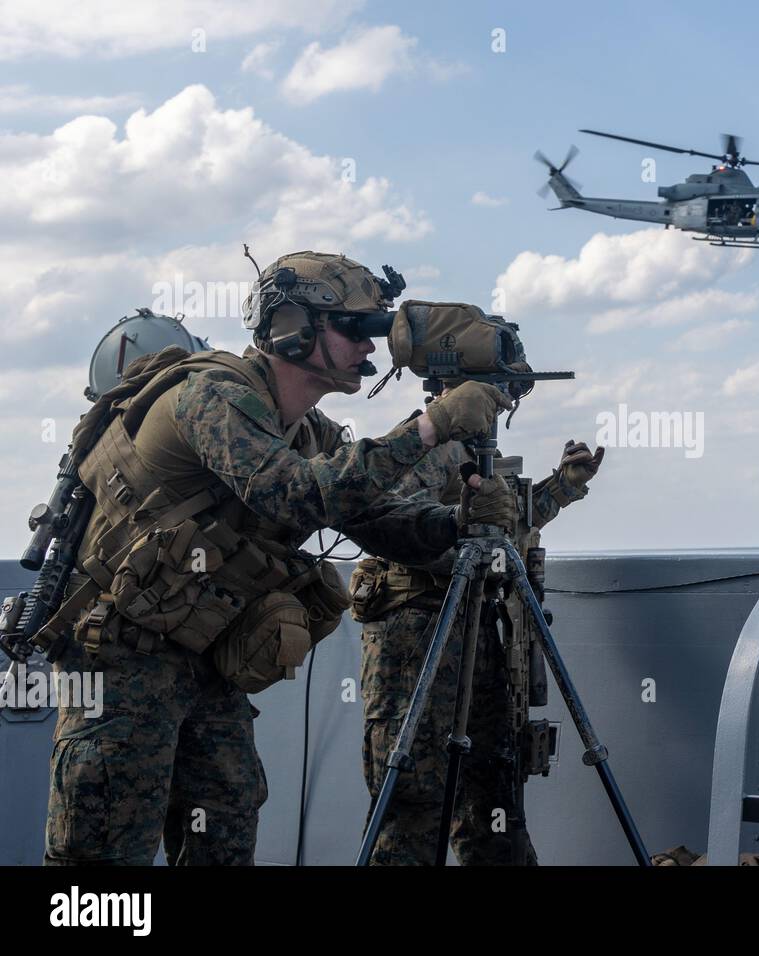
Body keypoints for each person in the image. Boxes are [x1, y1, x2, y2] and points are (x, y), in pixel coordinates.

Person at [40, 250, 513, 865]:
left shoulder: (310, 432)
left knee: (226, 830)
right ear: (291, 329)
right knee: (101, 860)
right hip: (120, 659)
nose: (371, 347)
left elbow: (377, 523)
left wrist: (458, 523)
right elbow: (292, 493)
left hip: (206, 659)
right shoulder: (207, 397)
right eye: (354, 327)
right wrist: (428, 427)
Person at [351, 382, 604, 866]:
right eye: (498, 391)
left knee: (494, 789)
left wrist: (563, 486)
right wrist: (461, 534)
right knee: (414, 796)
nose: (504, 401)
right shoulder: (425, 446)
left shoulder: (472, 452)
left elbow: (503, 527)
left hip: (477, 624)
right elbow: (385, 518)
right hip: (420, 631)